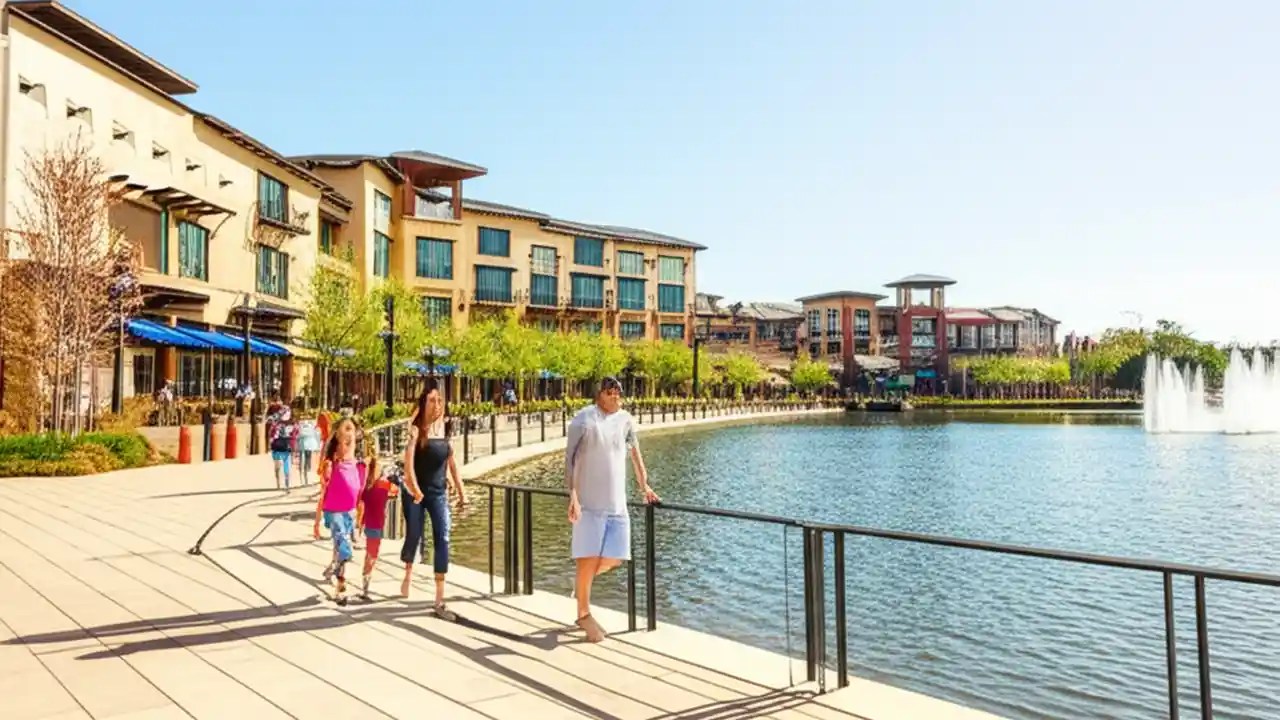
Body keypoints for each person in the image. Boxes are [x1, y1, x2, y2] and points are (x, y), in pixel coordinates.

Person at [565, 376, 659, 643]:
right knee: (589, 557)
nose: (616, 396)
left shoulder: (626, 420)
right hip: (589, 505)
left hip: (618, 506)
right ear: (600, 394)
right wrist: (572, 496)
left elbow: (635, 453)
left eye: (619, 392)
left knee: (616, 558)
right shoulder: (583, 419)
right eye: (611, 392)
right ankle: (584, 613)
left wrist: (645, 486)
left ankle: (581, 585)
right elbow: (569, 460)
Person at [400, 379, 464, 616]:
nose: (437, 405)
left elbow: (452, 463)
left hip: (438, 492)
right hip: (415, 492)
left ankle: (439, 596)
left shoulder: (446, 429)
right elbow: (408, 465)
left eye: (439, 400)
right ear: (424, 403)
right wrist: (415, 489)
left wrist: (461, 492)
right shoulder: (416, 430)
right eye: (432, 400)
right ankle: (408, 572)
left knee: (442, 537)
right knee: (415, 533)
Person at [313, 417, 366, 605]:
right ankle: (341, 587)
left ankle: (332, 569)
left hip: (349, 511)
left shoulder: (360, 465)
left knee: (339, 545)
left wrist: (360, 524)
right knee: (344, 547)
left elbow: (360, 497)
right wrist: (317, 522)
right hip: (334, 510)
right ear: (338, 435)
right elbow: (323, 493)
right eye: (346, 429)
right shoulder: (331, 463)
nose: (350, 434)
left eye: (352, 430)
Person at [358, 460, 404, 600]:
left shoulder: (366, 489)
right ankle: (366, 586)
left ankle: (365, 583)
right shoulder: (383, 486)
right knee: (373, 555)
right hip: (378, 524)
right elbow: (396, 490)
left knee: (369, 553)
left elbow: (360, 505)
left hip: (368, 524)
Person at [267, 406, 299, 492]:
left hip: (286, 447)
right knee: (278, 466)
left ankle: (286, 486)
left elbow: (296, 435)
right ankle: (279, 484)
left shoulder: (293, 423)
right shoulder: (276, 423)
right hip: (277, 447)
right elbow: (271, 434)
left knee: (286, 467)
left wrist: (294, 446)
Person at [297, 415, 322, 486]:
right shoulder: (302, 425)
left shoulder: (311, 425)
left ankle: (306, 480)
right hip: (303, 446)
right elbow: (298, 435)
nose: (305, 420)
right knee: (303, 464)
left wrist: (317, 446)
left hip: (308, 446)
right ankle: (303, 480)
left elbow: (316, 435)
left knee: (308, 464)